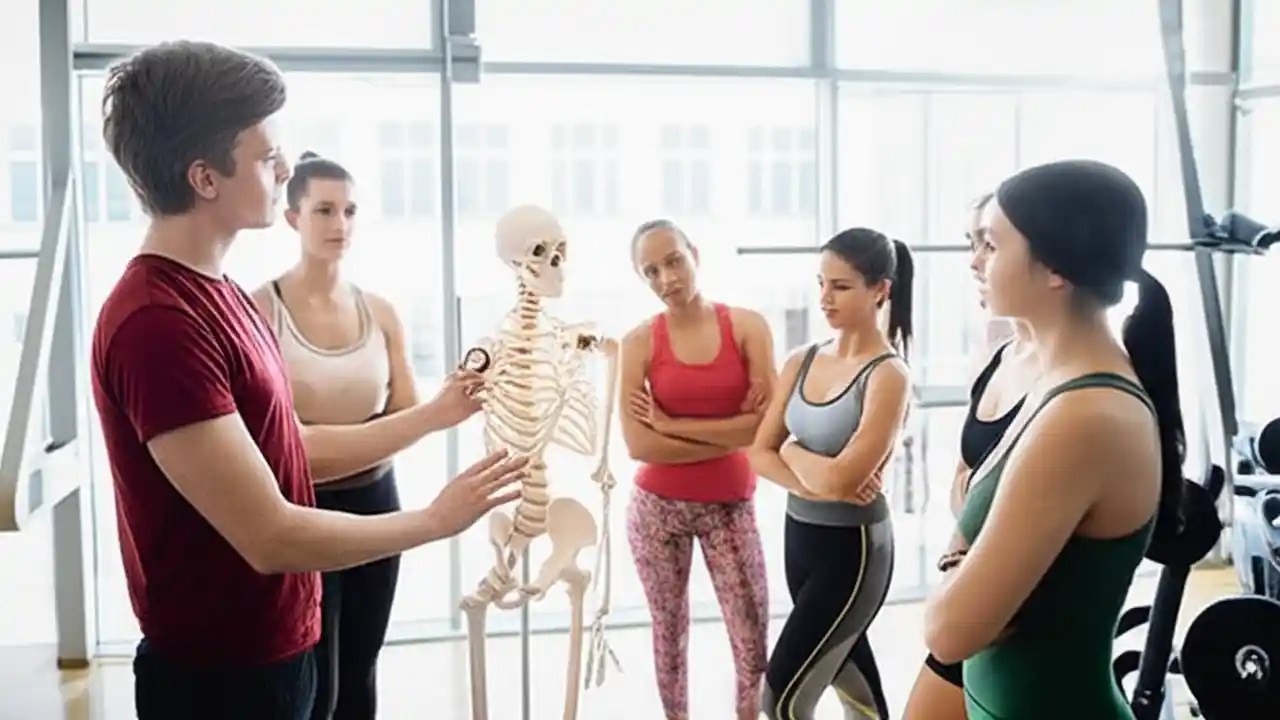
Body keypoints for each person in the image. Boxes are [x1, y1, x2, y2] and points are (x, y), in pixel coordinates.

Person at [88, 41, 526, 720]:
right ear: (205, 177)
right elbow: (271, 536)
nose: (286, 169)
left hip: (281, 646)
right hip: (223, 678)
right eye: (266, 158)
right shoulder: (156, 324)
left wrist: (436, 414)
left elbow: (289, 446)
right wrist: (436, 521)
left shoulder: (220, 294)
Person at [922, 160, 1185, 719]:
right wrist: (964, 568)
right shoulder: (1049, 381)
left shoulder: (1085, 415)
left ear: (1055, 270)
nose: (975, 261)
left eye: (991, 245)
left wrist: (955, 569)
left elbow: (948, 632)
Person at [247, 152, 431, 720]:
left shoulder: (380, 311)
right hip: (302, 507)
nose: (340, 224)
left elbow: (409, 414)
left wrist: (343, 440)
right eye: (324, 210)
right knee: (314, 678)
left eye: (349, 210)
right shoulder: (260, 310)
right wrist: (366, 435)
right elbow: (270, 438)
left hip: (378, 503)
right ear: (292, 218)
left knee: (361, 666)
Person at [747, 227, 914, 720]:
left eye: (840, 286)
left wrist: (793, 450)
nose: (824, 298)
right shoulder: (802, 360)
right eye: (821, 283)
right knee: (853, 684)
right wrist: (815, 471)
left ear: (880, 289)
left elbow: (844, 483)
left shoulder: (888, 375)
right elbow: (758, 452)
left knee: (781, 701)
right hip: (800, 539)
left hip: (855, 553)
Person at [619, 219, 774, 720]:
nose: (666, 278)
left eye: (674, 261)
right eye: (651, 271)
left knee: (752, 638)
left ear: (695, 255)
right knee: (669, 634)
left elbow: (765, 430)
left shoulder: (747, 326)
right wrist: (729, 432)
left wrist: (675, 424)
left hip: (730, 507)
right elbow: (638, 443)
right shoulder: (638, 342)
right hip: (655, 511)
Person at [902, 192, 1037, 720]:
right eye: (970, 243)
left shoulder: (1075, 395)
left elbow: (990, 499)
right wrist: (968, 538)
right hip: (972, 597)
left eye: (989, 243)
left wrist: (976, 522)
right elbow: (964, 484)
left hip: (1016, 621)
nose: (974, 261)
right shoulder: (1001, 358)